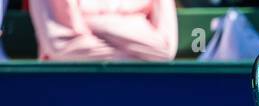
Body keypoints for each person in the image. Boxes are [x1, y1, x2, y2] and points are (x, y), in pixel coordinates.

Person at [28, 0, 178, 61]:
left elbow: (164, 49)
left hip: (141, 87)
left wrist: (91, 22)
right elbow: (61, 45)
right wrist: (136, 25)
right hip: (70, 88)